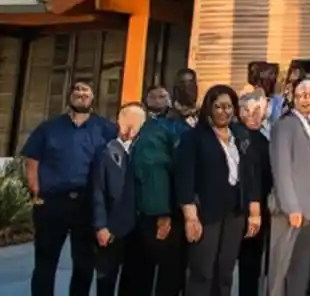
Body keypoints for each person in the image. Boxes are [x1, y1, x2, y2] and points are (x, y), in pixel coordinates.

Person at [23, 79, 118, 296]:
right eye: (77, 89)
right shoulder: (49, 128)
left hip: (87, 203)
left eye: (86, 90)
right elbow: (33, 162)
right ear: (70, 96)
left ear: (93, 98)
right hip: (52, 203)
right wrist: (36, 193)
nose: (81, 93)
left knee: (84, 263)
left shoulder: (106, 129)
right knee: (45, 262)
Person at [176, 85, 264, 296]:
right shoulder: (194, 138)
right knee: (202, 272)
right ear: (209, 108)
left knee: (225, 273)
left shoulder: (239, 136)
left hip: (234, 213)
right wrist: (190, 217)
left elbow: (250, 176)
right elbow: (184, 179)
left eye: (228, 107)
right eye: (218, 107)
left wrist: (254, 212)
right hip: (206, 214)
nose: (224, 111)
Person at [268, 79, 310, 296]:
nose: (306, 99)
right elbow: (281, 168)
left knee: (301, 269)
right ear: (293, 97)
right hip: (290, 209)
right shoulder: (285, 124)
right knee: (280, 268)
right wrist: (291, 207)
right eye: (302, 95)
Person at [129, 85, 184, 296]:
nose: (160, 99)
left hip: (163, 207)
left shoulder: (173, 125)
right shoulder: (149, 128)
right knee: (154, 271)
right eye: (154, 95)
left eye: (164, 95)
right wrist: (162, 213)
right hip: (152, 211)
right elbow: (154, 170)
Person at [90, 102, 145, 296]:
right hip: (112, 228)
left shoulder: (144, 152)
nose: (133, 125)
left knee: (134, 281)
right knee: (106, 279)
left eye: (139, 121)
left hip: (138, 228)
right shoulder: (106, 152)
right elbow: (97, 192)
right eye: (130, 120)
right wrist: (101, 226)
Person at [238, 92, 273, 296]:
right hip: (240, 210)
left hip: (261, 211)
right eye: (247, 110)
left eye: (257, 110)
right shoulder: (236, 136)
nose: (252, 115)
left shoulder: (264, 139)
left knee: (251, 267)